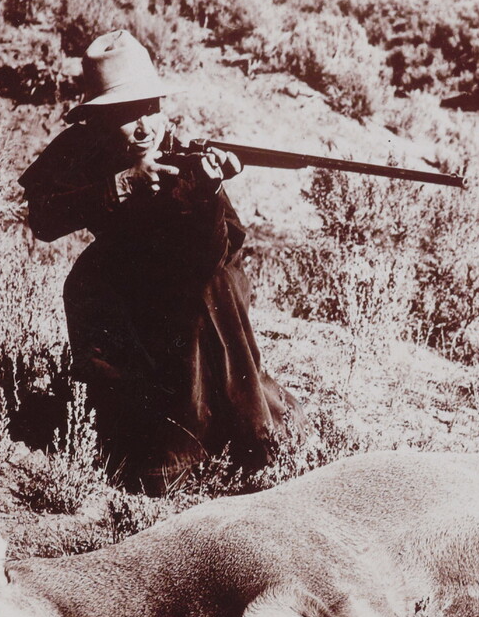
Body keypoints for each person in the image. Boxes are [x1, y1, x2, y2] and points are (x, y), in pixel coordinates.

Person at [19, 30, 302, 495]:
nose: (145, 126)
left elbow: (224, 249)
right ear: (99, 120)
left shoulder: (183, 150)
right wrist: (123, 183)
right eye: (127, 116)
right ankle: (151, 451)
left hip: (191, 282)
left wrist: (207, 193)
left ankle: (243, 437)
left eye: (151, 108)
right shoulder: (82, 146)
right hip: (119, 284)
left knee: (213, 290)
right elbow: (45, 219)